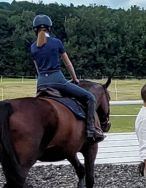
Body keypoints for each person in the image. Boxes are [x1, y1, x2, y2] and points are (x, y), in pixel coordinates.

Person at [29, 14, 104, 142]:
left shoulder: (33, 47)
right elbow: (68, 64)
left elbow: (38, 69)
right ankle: (91, 129)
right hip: (58, 81)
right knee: (90, 98)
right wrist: (75, 79)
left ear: (35, 29)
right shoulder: (56, 42)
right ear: (49, 28)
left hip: (41, 83)